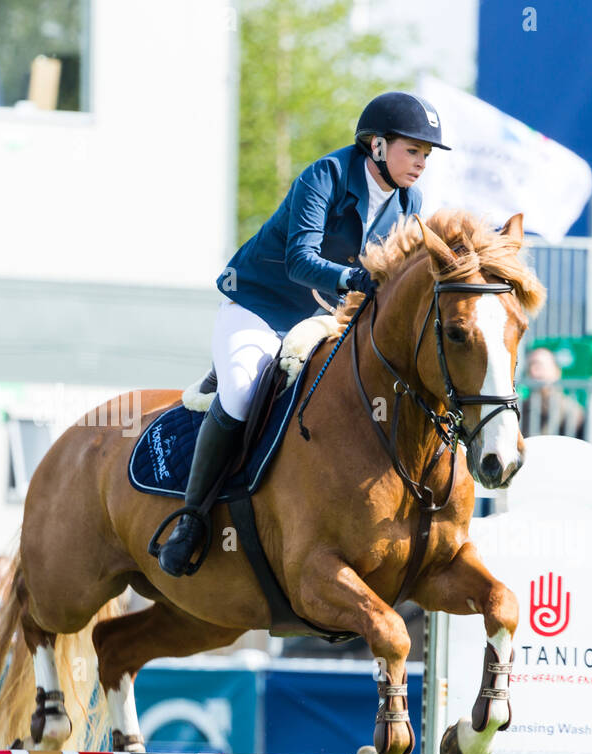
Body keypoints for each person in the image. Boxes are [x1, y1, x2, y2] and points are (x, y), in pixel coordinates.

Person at [154, 91, 447, 576]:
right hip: (259, 307)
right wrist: (352, 278)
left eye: (426, 155)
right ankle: (191, 520)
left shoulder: (409, 200)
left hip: (319, 320)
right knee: (245, 390)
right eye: (412, 150)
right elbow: (298, 260)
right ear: (376, 146)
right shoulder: (325, 176)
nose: (420, 163)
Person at [522, 347, 585, 438]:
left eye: (539, 366)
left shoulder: (572, 411)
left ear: (557, 371)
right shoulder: (520, 410)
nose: (533, 371)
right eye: (530, 366)